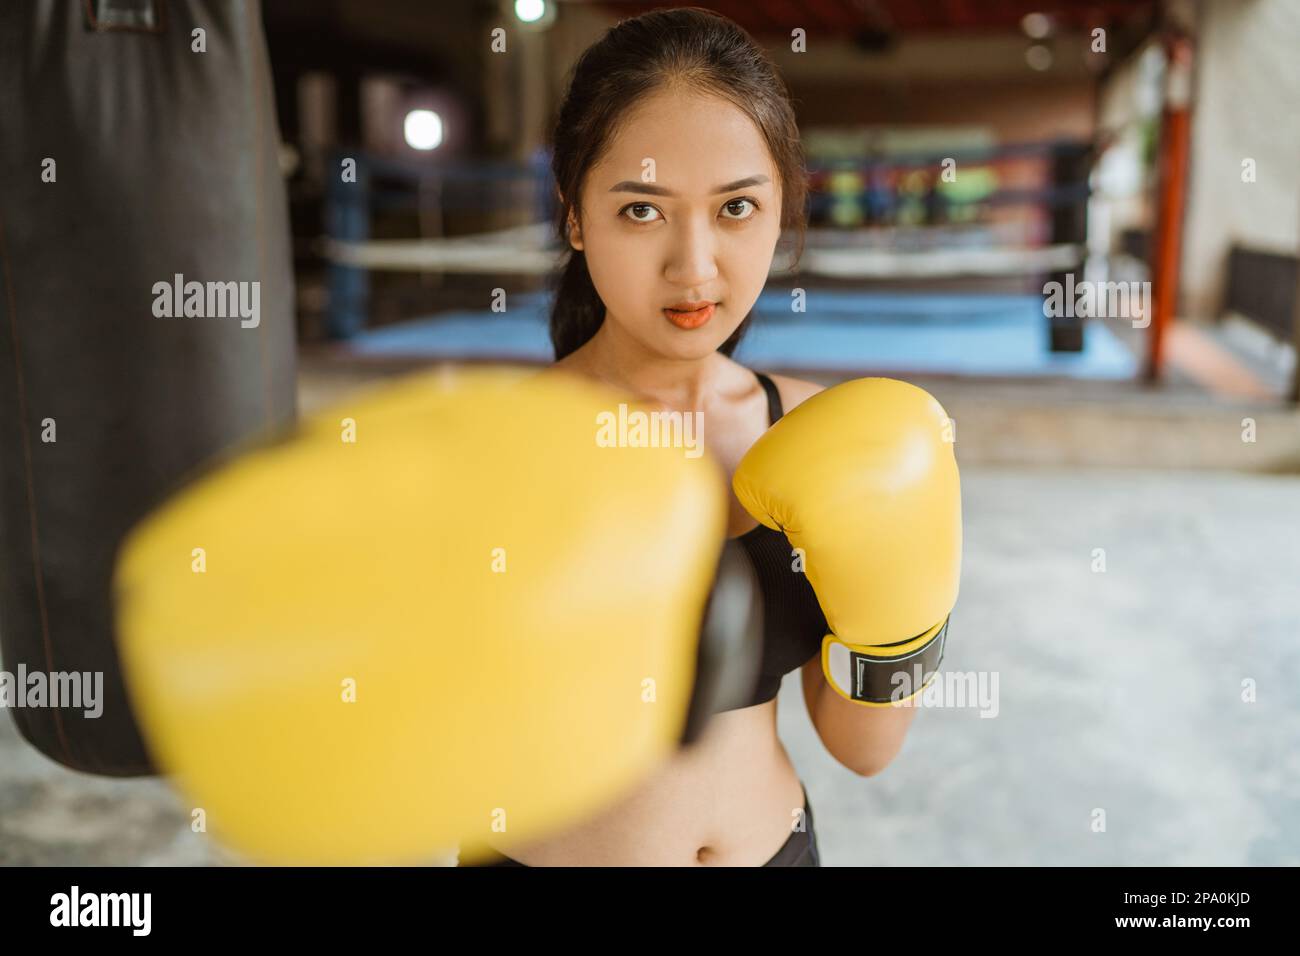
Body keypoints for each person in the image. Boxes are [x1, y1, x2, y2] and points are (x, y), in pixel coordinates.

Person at [468, 7, 928, 868]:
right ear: (575, 218)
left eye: (737, 208)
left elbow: (864, 750)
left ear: (781, 208)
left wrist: (906, 617)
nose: (695, 265)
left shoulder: (824, 435)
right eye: (642, 210)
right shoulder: (498, 446)